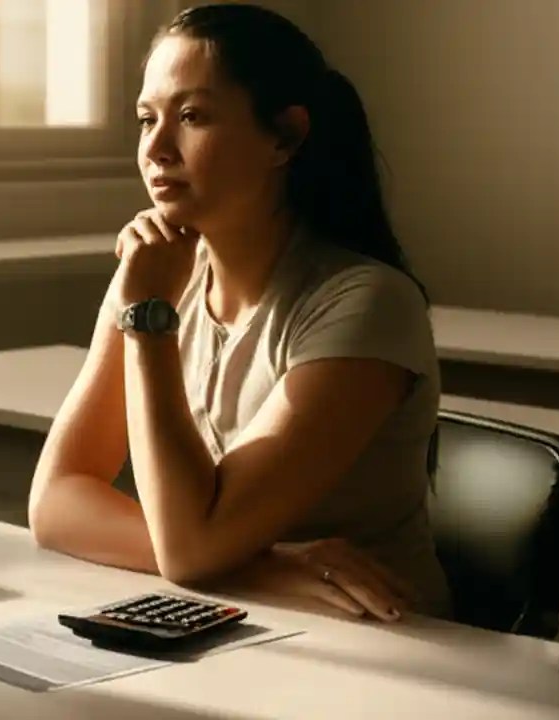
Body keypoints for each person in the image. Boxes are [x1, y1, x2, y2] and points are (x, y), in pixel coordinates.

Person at [27, 3, 452, 621]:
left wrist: (148, 319)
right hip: (241, 617)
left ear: (285, 136)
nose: (156, 148)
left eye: (192, 116)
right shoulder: (156, 276)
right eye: (147, 119)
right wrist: (266, 567)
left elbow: (193, 552)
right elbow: (57, 502)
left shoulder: (366, 302)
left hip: (384, 640)